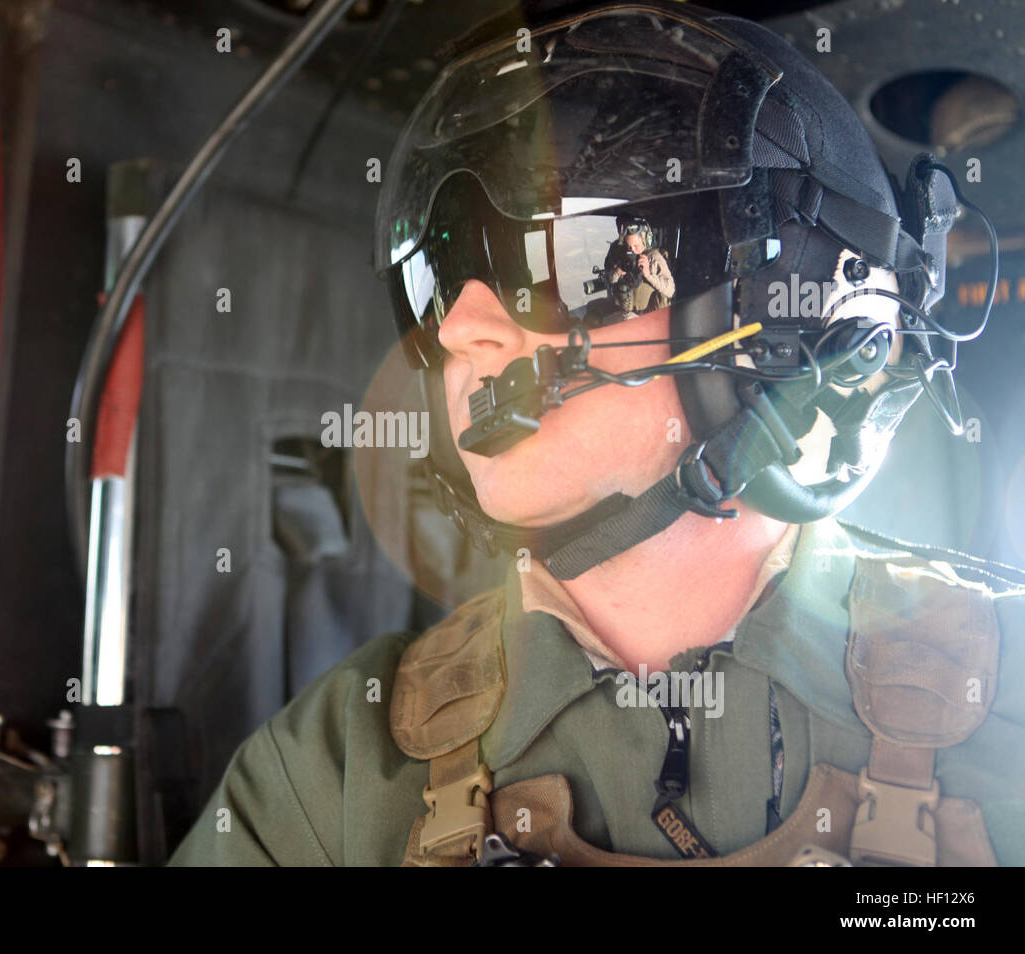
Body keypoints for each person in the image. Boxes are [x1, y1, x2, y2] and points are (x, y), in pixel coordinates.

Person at [168, 0, 1024, 866]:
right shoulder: (337, 767)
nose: (465, 330)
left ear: (788, 315)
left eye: (568, 259)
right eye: (440, 276)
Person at [607, 220, 675, 317]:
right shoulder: (625, 257)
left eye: (636, 246)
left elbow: (670, 290)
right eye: (629, 247)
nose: (633, 250)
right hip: (622, 309)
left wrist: (648, 275)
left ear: (645, 240)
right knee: (592, 311)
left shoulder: (654, 258)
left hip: (644, 317)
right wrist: (617, 271)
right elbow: (610, 280)